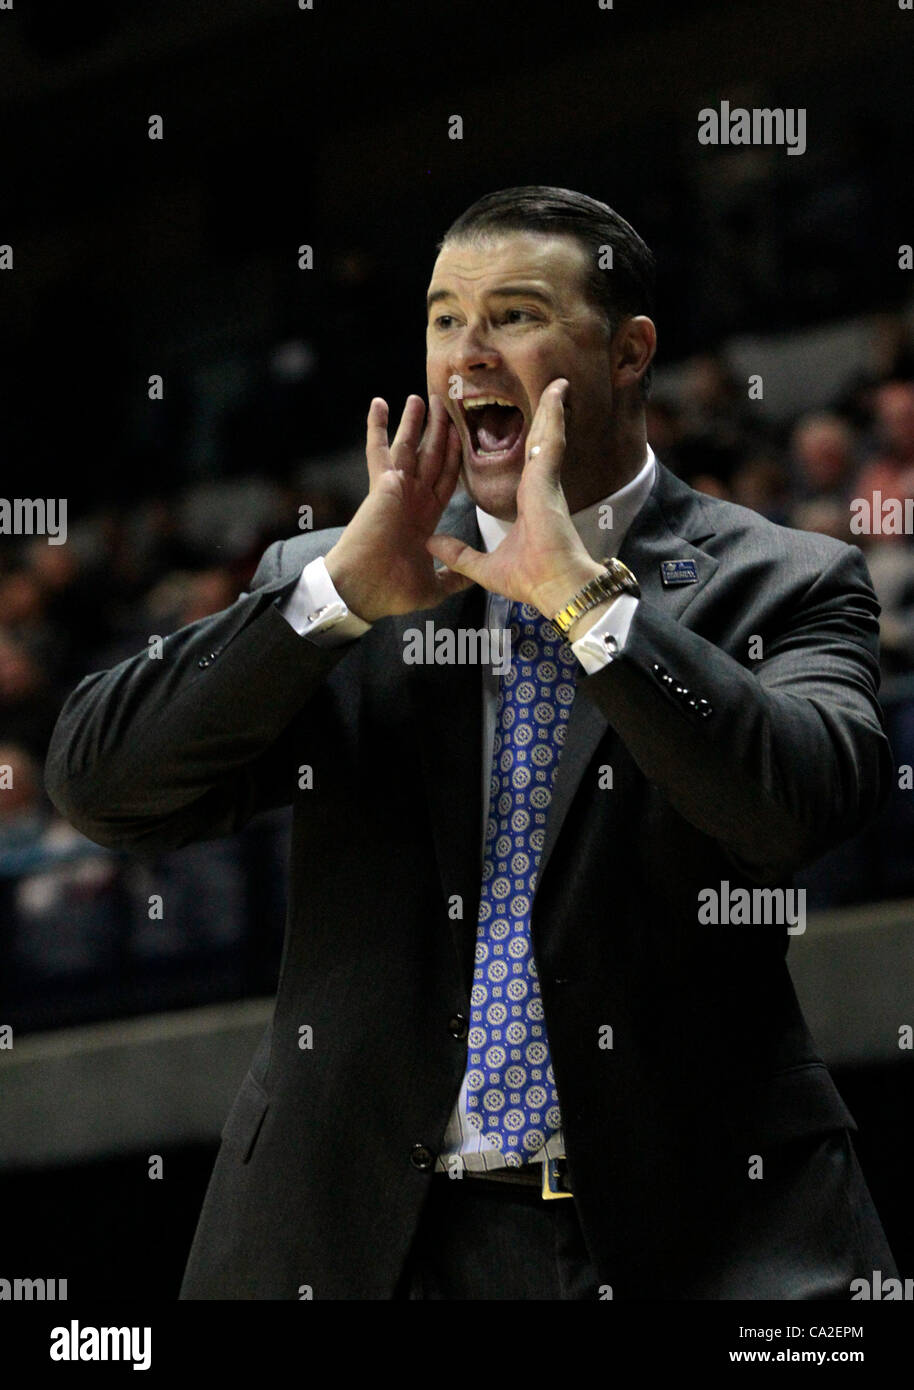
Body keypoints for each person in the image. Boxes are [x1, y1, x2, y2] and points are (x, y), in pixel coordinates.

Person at [45, 186, 899, 1300]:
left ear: (628, 350)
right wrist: (330, 599)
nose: (467, 351)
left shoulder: (784, 578)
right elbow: (101, 786)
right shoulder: (347, 580)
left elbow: (791, 811)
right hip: (362, 1244)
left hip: (696, 1233)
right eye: (446, 318)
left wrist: (591, 610)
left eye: (513, 314)